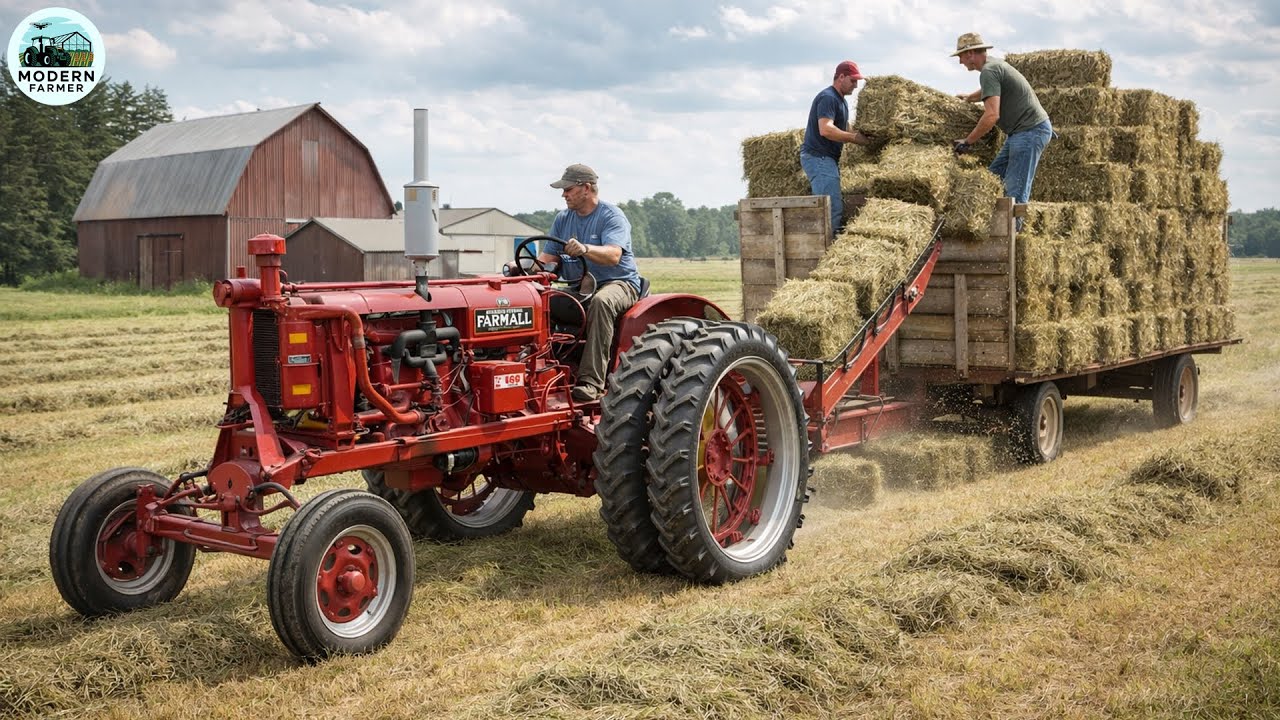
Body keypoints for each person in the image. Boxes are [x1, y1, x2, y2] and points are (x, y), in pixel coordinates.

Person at [537, 163, 641, 403]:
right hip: (579, 285)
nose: (563, 194)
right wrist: (516, 268)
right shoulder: (563, 218)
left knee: (602, 302)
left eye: (568, 189)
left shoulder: (611, 216)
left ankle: (591, 382)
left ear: (586, 188)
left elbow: (614, 255)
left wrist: (585, 249)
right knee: (539, 300)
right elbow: (546, 259)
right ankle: (545, 369)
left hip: (618, 283)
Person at [951, 32, 1053, 216]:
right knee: (993, 176)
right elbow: (991, 90)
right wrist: (970, 97)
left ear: (970, 54)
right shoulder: (994, 66)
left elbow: (991, 116)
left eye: (960, 57)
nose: (960, 62)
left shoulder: (989, 71)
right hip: (1021, 132)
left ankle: (1011, 237)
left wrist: (967, 142)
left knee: (1015, 190)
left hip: (1030, 131)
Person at [800, 60, 875, 235]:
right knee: (831, 209)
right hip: (819, 158)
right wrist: (854, 138)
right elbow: (826, 129)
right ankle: (827, 253)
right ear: (841, 77)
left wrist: (866, 136)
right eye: (853, 80)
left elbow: (844, 126)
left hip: (827, 159)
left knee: (832, 207)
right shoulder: (828, 97)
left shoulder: (841, 101)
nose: (856, 86)